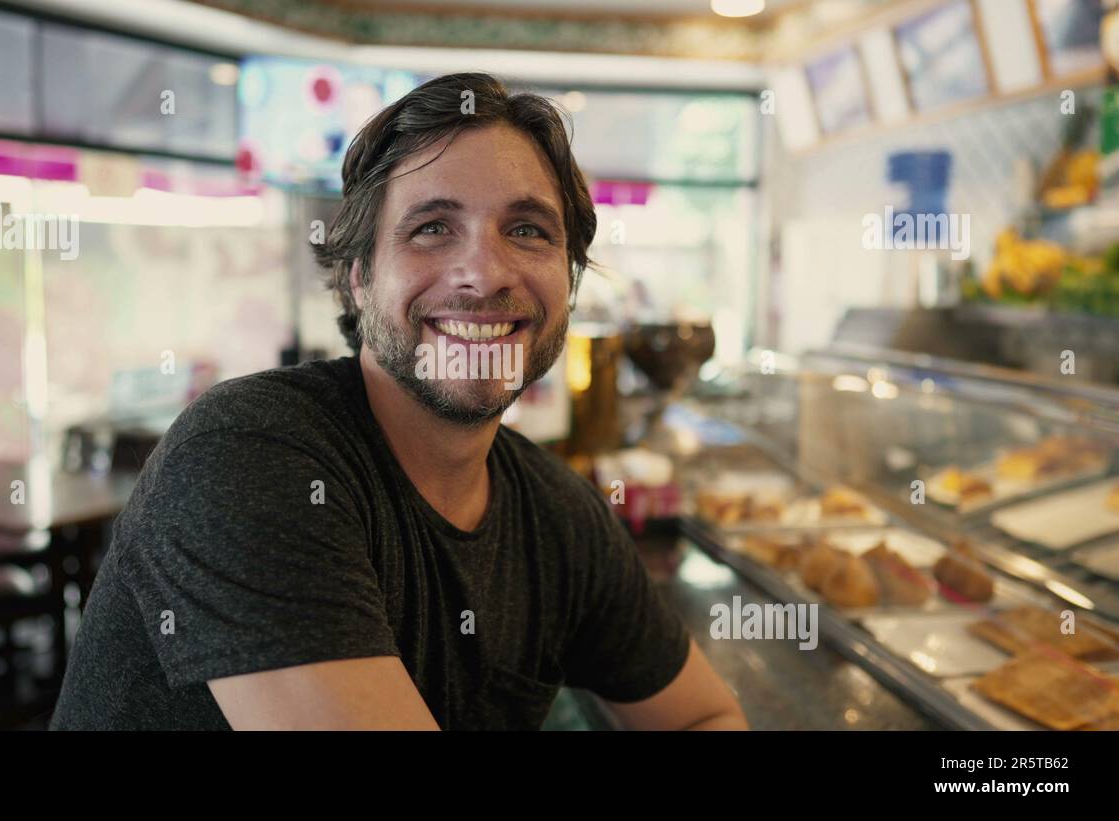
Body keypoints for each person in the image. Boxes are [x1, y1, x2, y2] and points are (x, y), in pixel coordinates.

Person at [51, 72, 746, 730]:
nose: (485, 273)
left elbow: (705, 715)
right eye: (432, 227)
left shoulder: (561, 518)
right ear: (357, 277)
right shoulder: (245, 454)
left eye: (529, 229)